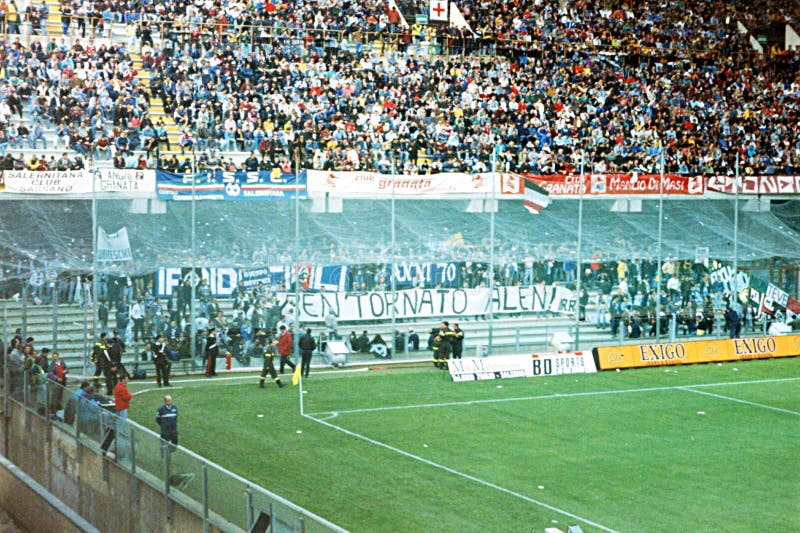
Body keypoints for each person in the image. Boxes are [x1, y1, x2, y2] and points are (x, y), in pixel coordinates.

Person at [113, 373, 132, 458]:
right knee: (121, 423)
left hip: (120, 407)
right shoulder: (121, 387)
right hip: (122, 407)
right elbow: (126, 397)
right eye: (127, 378)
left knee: (120, 422)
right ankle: (119, 435)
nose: (128, 380)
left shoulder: (119, 386)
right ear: (123, 379)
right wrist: (130, 395)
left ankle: (119, 433)